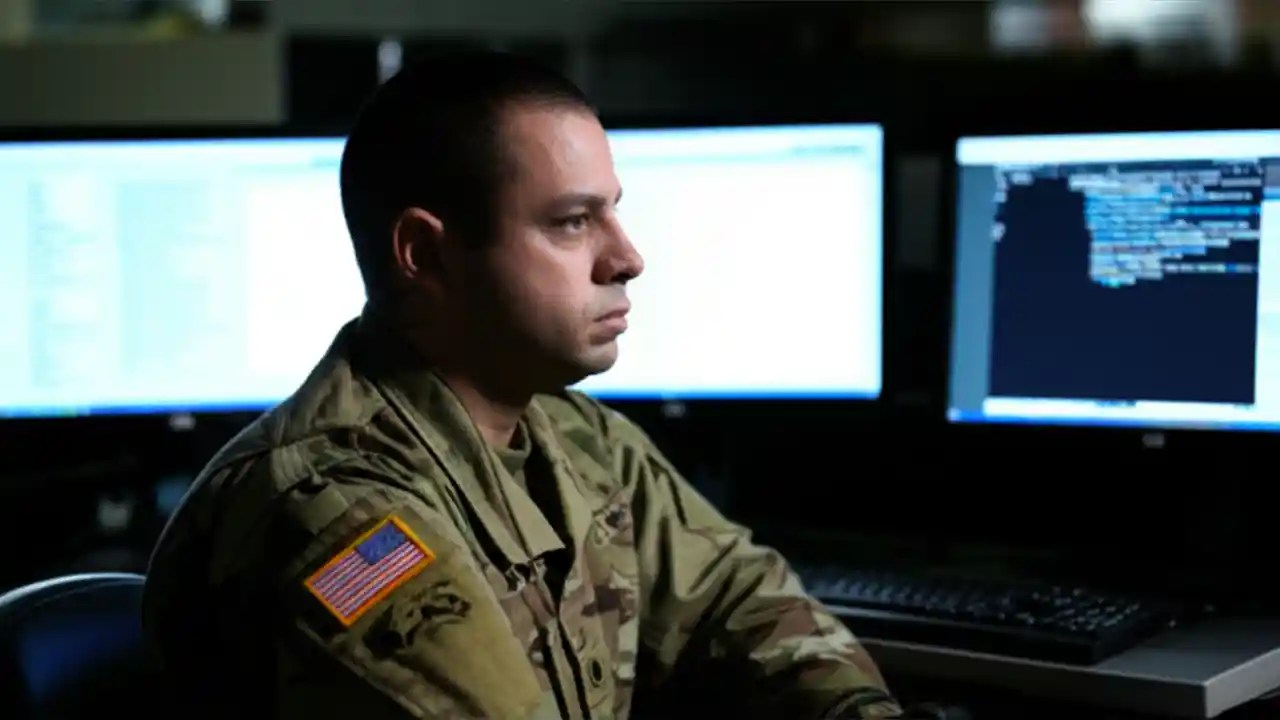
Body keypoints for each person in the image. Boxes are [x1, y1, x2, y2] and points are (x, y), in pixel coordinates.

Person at [142, 49, 908, 719]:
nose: (627, 257)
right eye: (572, 222)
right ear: (425, 255)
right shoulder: (340, 514)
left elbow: (745, 606)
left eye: (613, 214)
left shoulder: (577, 436)